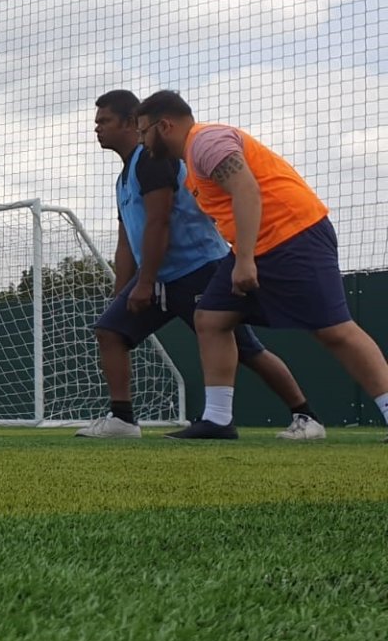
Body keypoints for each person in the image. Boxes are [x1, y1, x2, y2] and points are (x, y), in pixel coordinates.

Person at [135, 90, 388, 440]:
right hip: (261, 245)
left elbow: (247, 191)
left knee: (334, 331)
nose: (141, 141)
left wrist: (244, 260)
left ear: (164, 126)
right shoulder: (192, 160)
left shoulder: (206, 142)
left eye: (143, 131)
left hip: (294, 236)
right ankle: (217, 420)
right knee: (211, 318)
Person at [78, 90, 323, 440]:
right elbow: (126, 241)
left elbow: (159, 222)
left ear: (131, 123)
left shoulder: (153, 160)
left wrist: (144, 283)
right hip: (159, 277)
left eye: (104, 121)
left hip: (199, 271)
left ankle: (305, 415)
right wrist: (123, 292)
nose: (97, 128)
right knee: (110, 331)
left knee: (248, 350)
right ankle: (122, 420)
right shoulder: (123, 179)